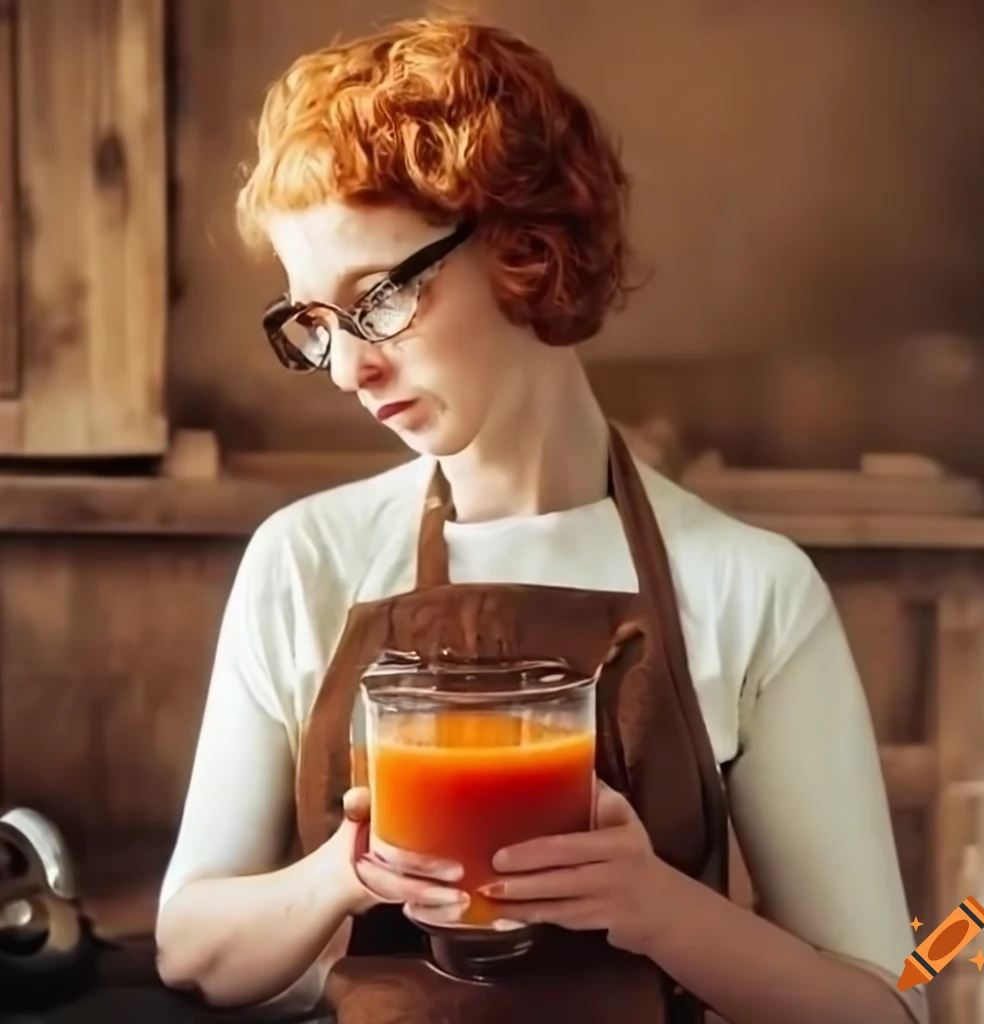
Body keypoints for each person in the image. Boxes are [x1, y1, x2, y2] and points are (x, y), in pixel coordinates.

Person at [154, 15, 927, 1024]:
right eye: (316, 323)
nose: (347, 367)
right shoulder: (306, 561)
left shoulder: (749, 587)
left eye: (380, 297)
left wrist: (653, 909)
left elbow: (883, 1005)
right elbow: (191, 949)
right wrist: (345, 871)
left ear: (525, 243)